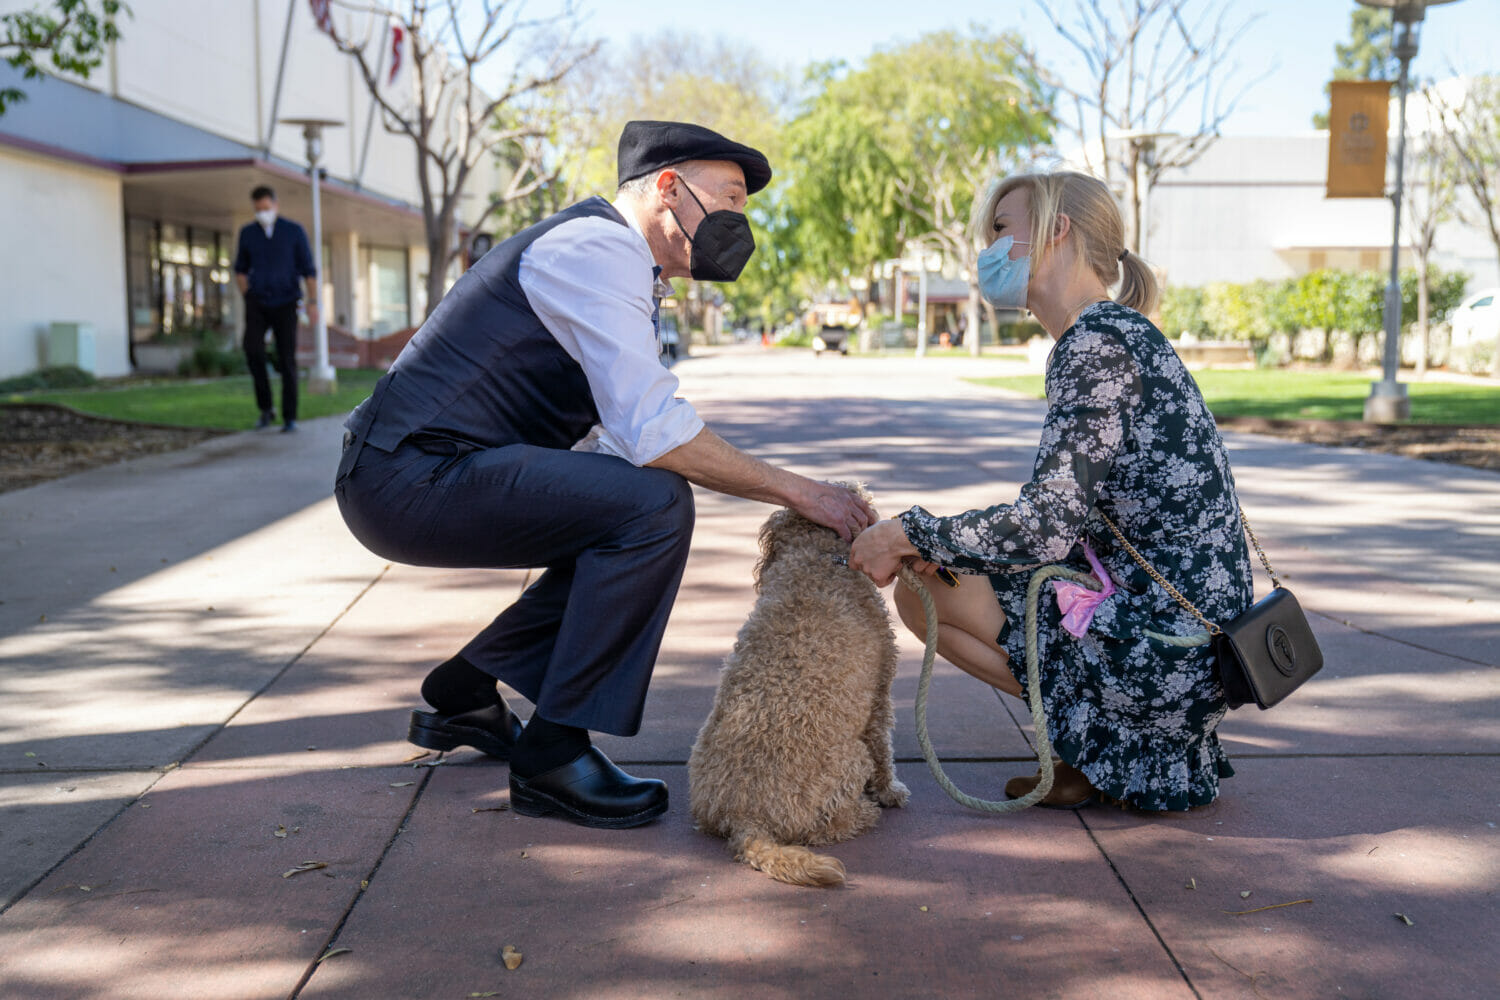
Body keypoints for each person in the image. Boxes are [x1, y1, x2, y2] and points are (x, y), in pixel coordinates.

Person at [335, 121, 875, 830]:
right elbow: (656, 434)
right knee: (651, 506)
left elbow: (618, 436)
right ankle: (553, 755)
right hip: (407, 477)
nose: (739, 223)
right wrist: (802, 492)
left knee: (622, 508)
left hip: (415, 471)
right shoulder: (597, 249)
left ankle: (465, 688)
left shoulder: (616, 263)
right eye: (731, 199)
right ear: (667, 190)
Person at [849, 169, 1253, 812]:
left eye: (1003, 230)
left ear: (1056, 231)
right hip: (1198, 646)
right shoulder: (1118, 332)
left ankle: (1097, 748)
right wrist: (953, 547)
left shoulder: (1093, 344)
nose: (990, 251)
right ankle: (1090, 754)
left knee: (922, 590)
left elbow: (1045, 525)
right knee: (949, 572)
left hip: (1169, 657)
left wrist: (906, 532)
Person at [233, 185, 318, 432]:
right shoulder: (248, 233)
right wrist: (247, 294)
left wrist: (313, 303)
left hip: (287, 302)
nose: (262, 213)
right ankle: (266, 408)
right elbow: (240, 269)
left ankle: (289, 417)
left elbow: (309, 271)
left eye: (266, 209)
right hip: (257, 301)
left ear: (276, 205)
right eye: (258, 210)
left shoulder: (293, 231)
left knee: (286, 357)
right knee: (252, 350)